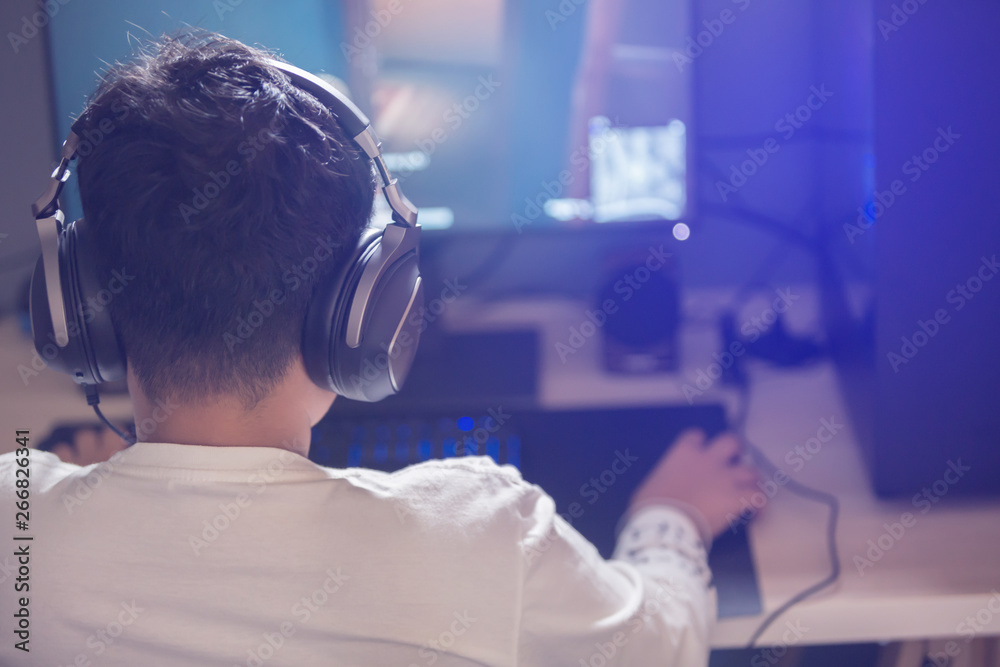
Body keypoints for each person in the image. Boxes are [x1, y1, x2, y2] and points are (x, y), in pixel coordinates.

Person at [0, 31, 758, 666]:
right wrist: (673, 513)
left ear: (82, 299)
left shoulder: (18, 531)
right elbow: (661, 646)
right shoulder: (486, 537)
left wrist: (99, 496)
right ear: (363, 316)